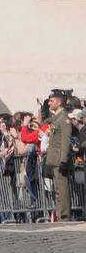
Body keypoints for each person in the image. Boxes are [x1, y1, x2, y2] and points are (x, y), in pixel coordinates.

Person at [45, 88, 73, 223]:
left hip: (59, 158)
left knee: (62, 189)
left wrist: (64, 160)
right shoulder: (56, 118)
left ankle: (65, 216)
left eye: (51, 101)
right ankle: (60, 216)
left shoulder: (64, 119)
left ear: (59, 102)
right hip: (55, 159)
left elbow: (66, 141)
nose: (49, 103)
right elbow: (46, 121)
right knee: (57, 190)